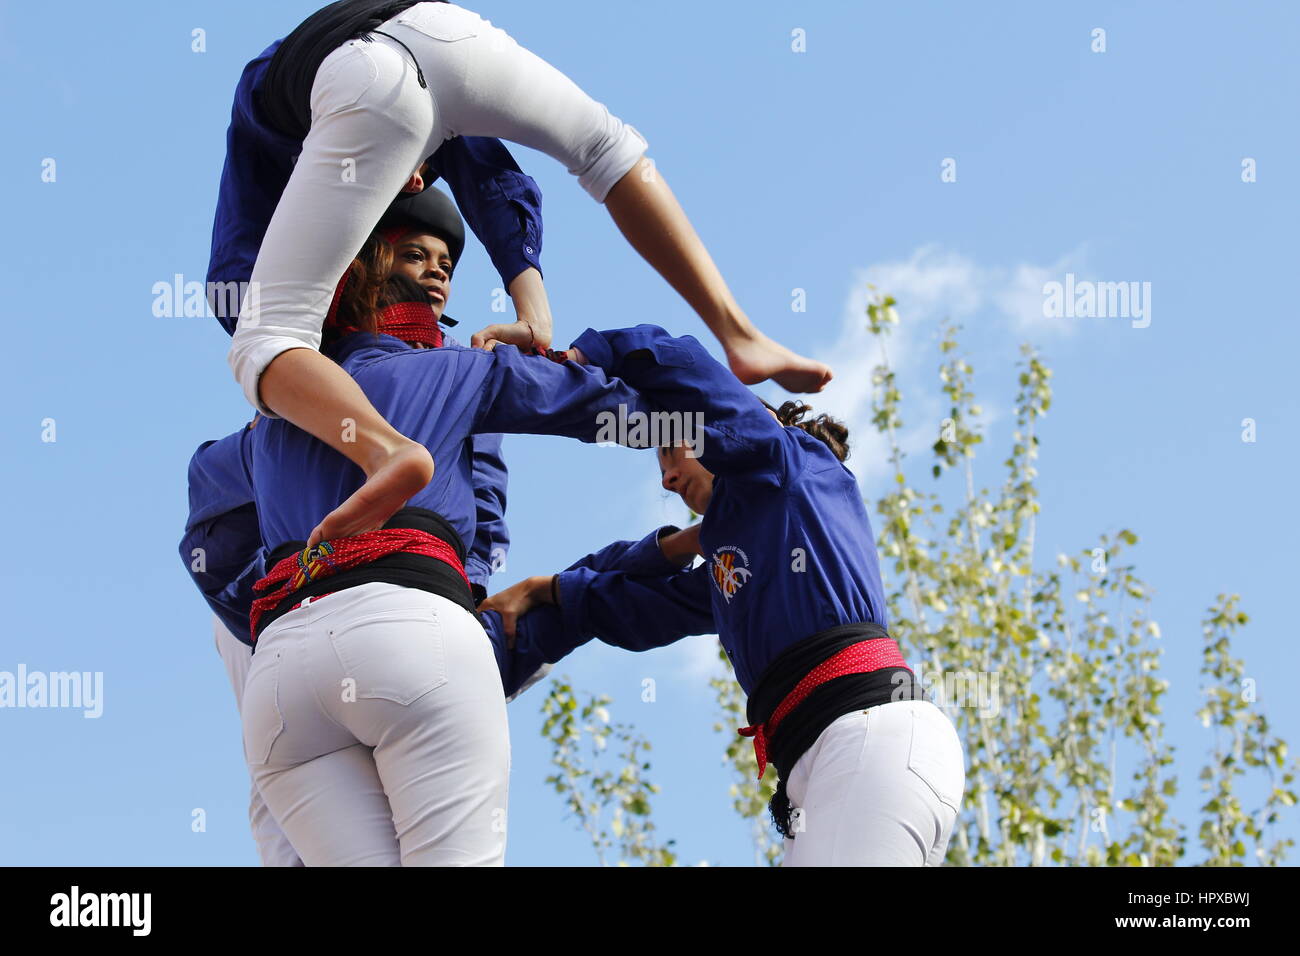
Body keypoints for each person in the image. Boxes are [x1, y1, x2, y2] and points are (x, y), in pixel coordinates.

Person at [212, 0, 834, 552]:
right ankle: (739, 332)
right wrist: (533, 309)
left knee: (262, 338)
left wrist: (297, 383)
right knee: (608, 148)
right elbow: (495, 186)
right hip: (445, 28)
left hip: (358, 73)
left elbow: (235, 278)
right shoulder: (471, 366)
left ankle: (386, 453)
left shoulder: (268, 108)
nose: (418, 180)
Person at [482, 325, 968, 866]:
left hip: (868, 739)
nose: (666, 478)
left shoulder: (787, 463)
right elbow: (642, 610)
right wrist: (546, 587)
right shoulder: (737, 554)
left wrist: (589, 354)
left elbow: (685, 366)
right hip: (840, 758)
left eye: (671, 449)